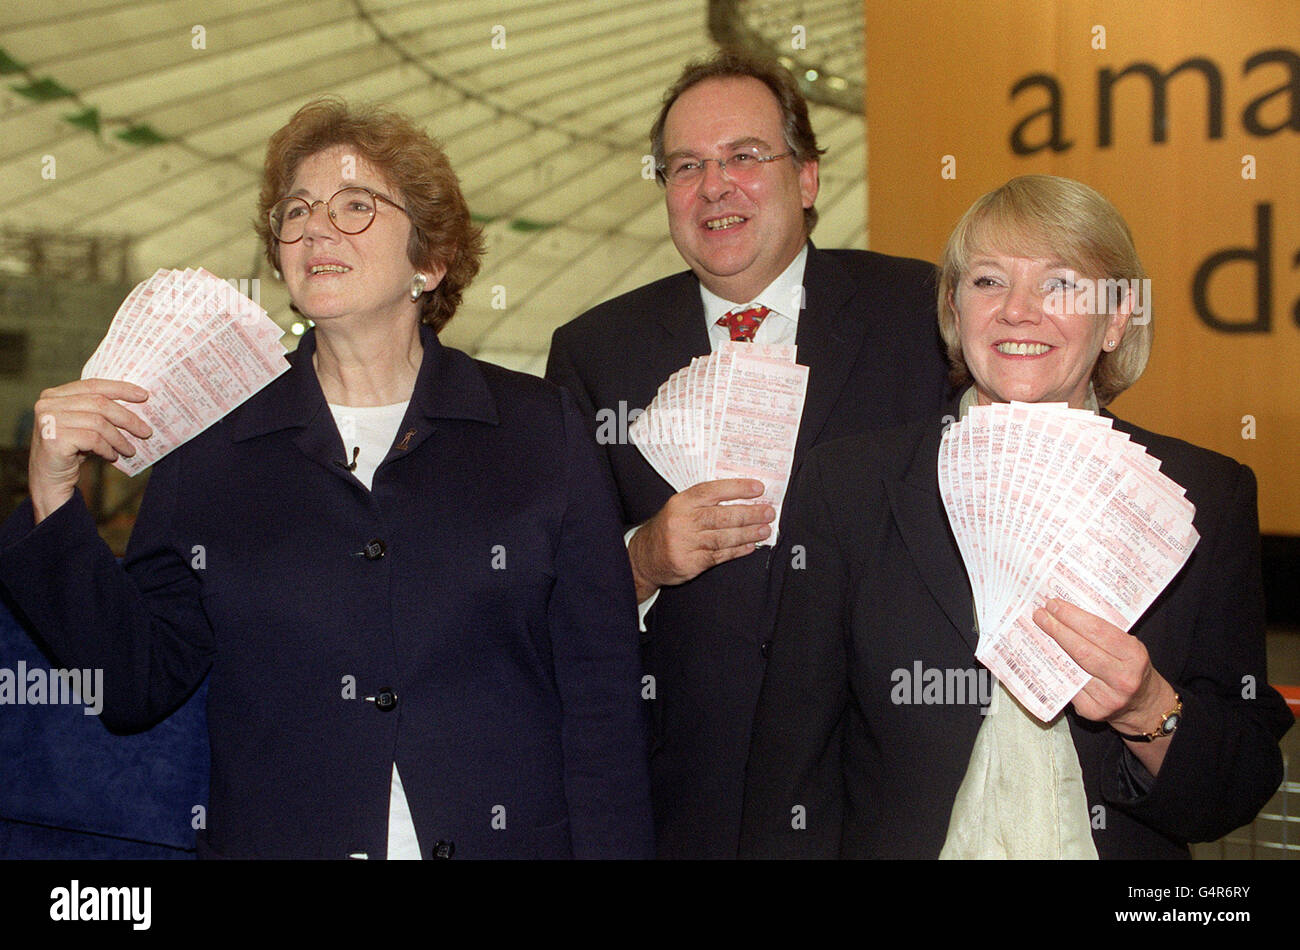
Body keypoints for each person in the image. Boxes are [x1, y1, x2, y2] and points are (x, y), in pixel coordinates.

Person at [0, 98, 654, 859]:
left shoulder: (542, 431)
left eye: (354, 206)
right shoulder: (210, 443)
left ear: (430, 259)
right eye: (297, 211)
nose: (315, 228)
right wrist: (51, 495)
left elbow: (603, 697)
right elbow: (135, 684)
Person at [740, 174, 1294, 858]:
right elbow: (790, 761)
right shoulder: (850, 485)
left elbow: (1235, 790)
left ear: (1116, 317)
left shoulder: (1205, 496)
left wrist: (1147, 707)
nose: (1018, 311)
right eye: (988, 282)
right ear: (954, 309)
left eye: (1060, 284)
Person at [545, 50, 950, 858]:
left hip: (886, 792)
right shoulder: (594, 352)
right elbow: (549, 592)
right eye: (686, 165)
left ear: (806, 178)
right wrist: (641, 559)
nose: (714, 186)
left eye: (744, 157)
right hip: (690, 802)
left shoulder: (922, 315)